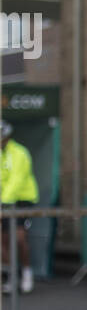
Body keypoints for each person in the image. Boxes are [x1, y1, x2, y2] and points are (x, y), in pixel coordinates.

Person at [1, 119, 39, 293]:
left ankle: (27, 273)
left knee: (19, 238)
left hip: (22, 199)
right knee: (3, 240)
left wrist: (3, 203)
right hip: (4, 200)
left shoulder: (19, 153)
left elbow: (16, 181)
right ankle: (10, 277)